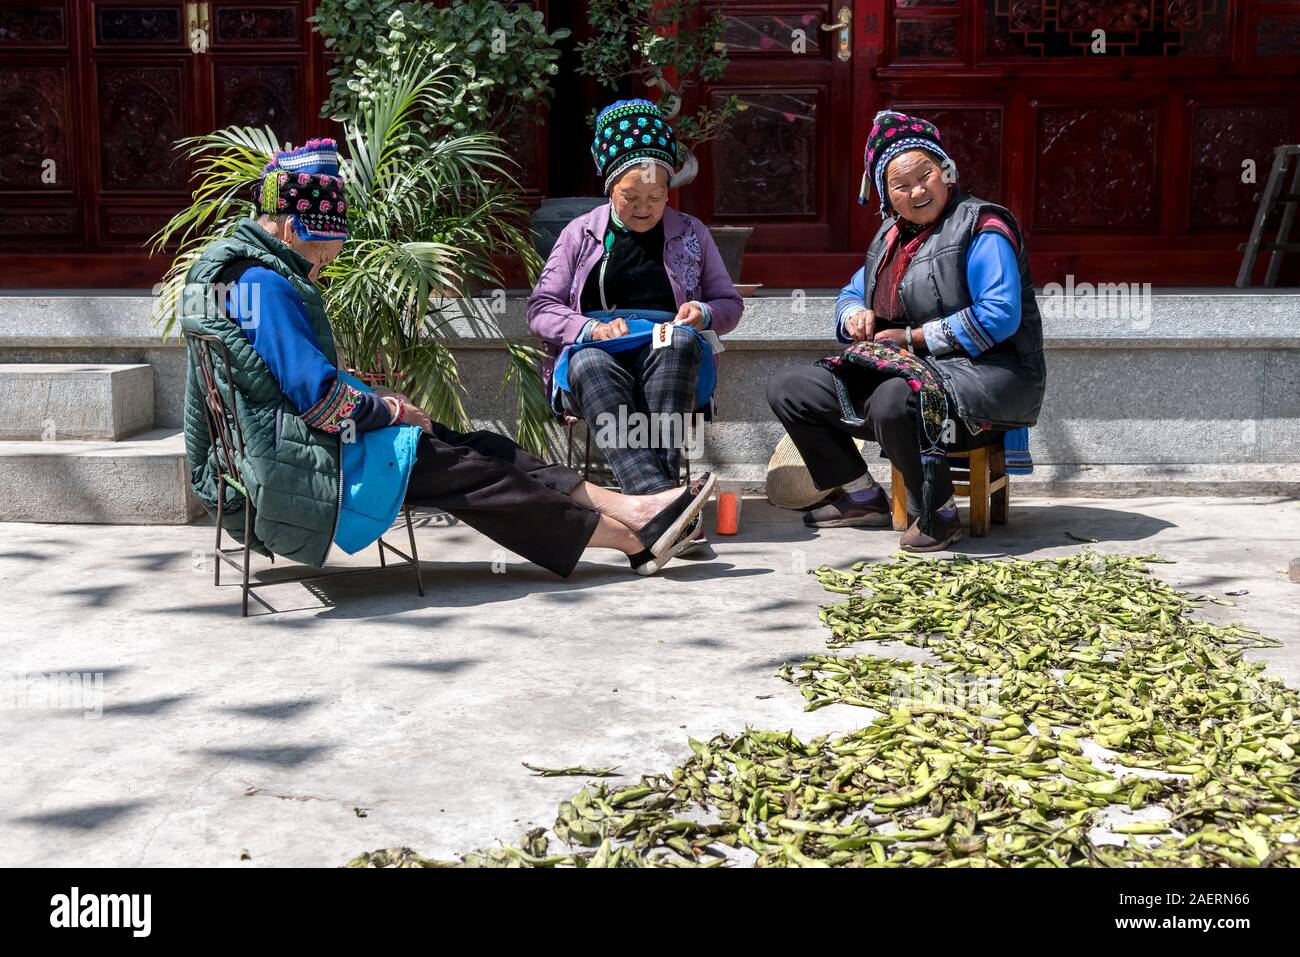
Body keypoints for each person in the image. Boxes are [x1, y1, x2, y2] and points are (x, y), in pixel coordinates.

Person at [180, 138, 715, 580]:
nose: (325, 265)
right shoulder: (264, 286)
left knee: (481, 445)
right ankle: (631, 537)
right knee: (477, 474)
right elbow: (319, 401)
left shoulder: (245, 277)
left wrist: (383, 405)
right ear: (294, 231)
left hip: (288, 444)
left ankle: (634, 508)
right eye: (325, 252)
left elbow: (298, 386)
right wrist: (389, 413)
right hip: (302, 460)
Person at [766, 111, 1046, 551]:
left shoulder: (982, 227)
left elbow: (1000, 314)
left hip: (990, 380)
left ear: (946, 173)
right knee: (791, 387)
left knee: (895, 396)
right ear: (886, 197)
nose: (917, 190)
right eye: (902, 185)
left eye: (926, 174)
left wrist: (913, 339)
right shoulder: (889, 239)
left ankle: (936, 510)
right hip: (909, 373)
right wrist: (853, 313)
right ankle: (862, 496)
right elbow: (851, 291)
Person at [527, 99, 742, 514]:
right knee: (588, 363)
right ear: (609, 188)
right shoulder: (580, 232)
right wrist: (590, 330)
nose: (644, 209)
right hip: (599, 351)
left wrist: (703, 312)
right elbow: (541, 308)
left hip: (667, 353)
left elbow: (728, 303)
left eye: (655, 197)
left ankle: (652, 508)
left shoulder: (691, 232)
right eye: (631, 197)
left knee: (678, 346)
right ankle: (669, 505)